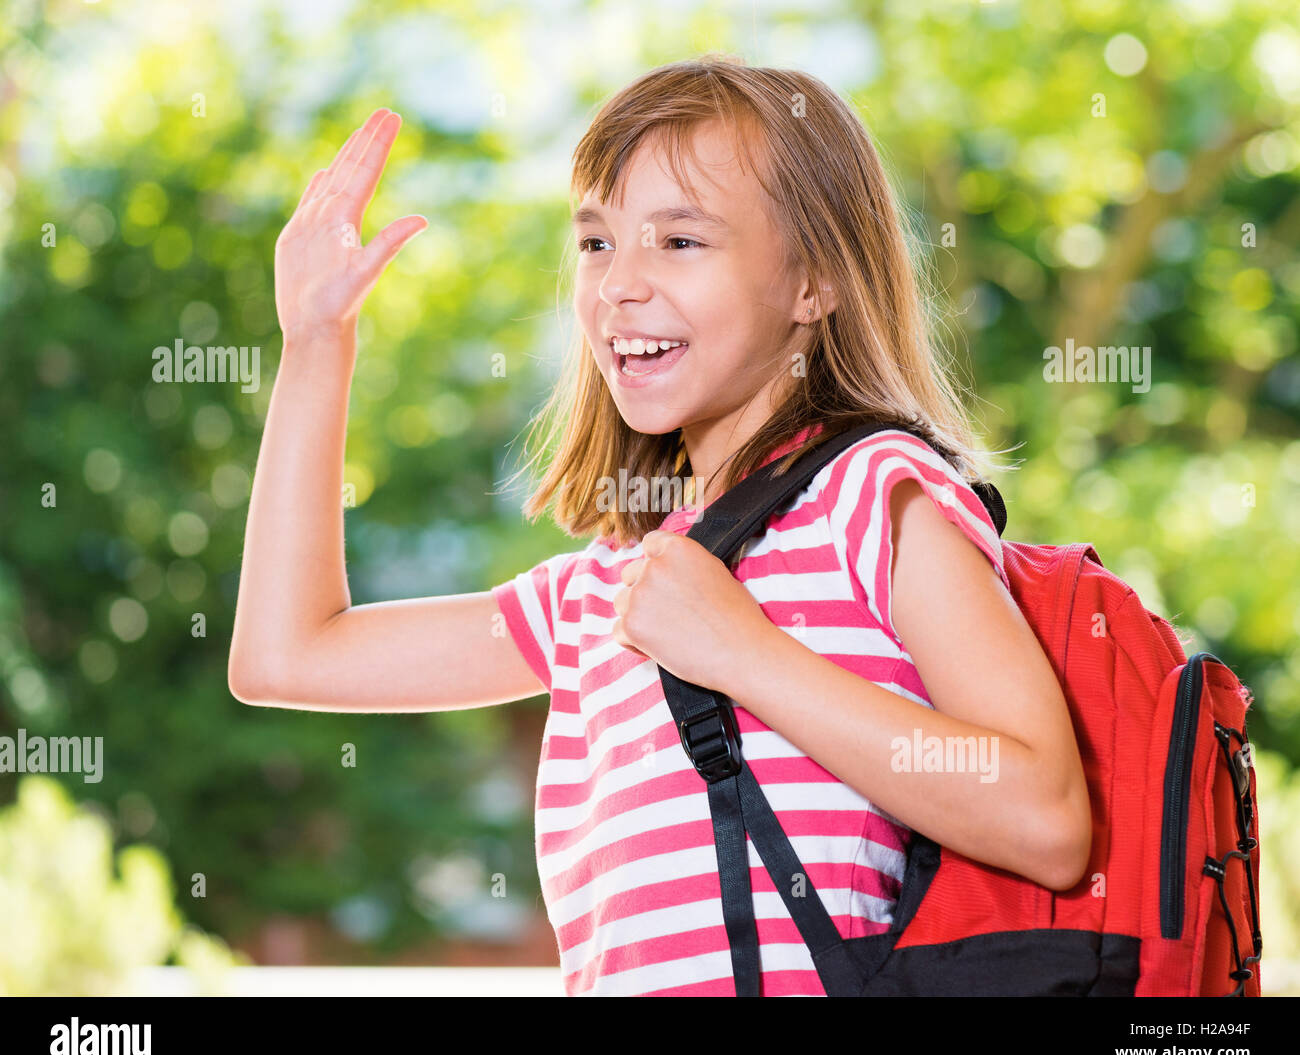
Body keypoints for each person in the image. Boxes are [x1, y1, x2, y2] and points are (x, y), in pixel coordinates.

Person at [229, 55, 1091, 997]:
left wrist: (744, 653)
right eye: (597, 242)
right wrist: (316, 344)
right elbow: (288, 655)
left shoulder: (876, 494)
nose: (618, 287)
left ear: (813, 282)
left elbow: (1044, 815)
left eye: (680, 242)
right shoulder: (604, 591)